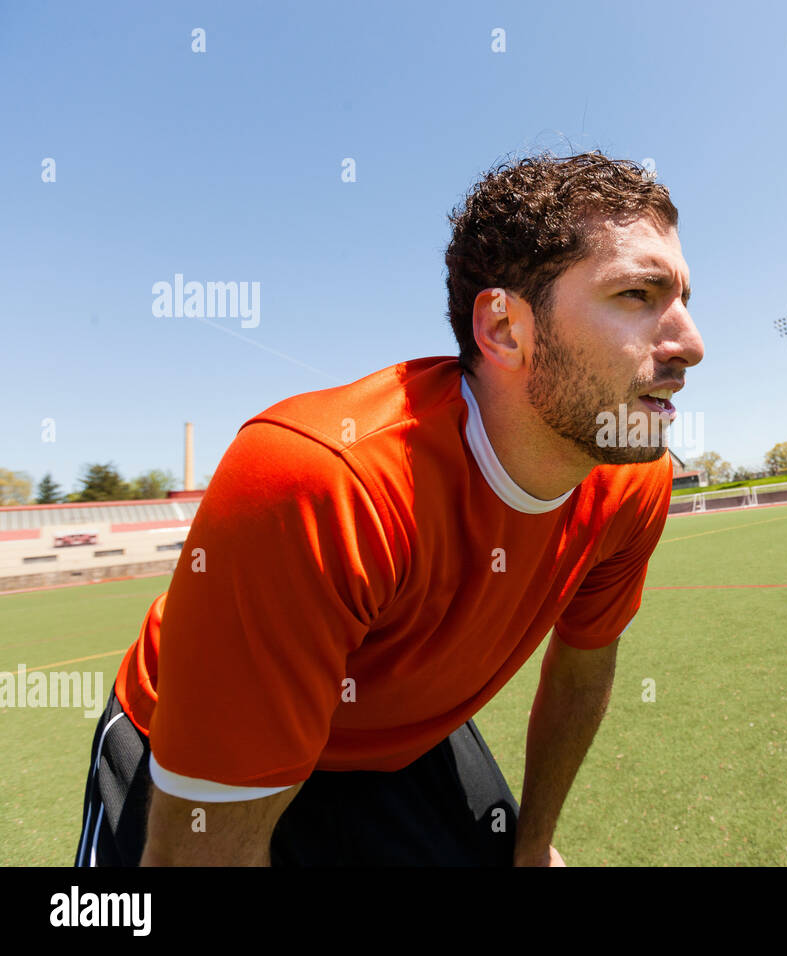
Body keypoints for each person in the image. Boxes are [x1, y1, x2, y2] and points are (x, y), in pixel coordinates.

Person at [74, 150, 704, 866]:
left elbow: (582, 667)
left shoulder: (632, 479)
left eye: (683, 297)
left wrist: (532, 848)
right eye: (637, 295)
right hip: (200, 751)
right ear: (504, 329)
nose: (691, 343)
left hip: (400, 738)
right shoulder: (319, 482)